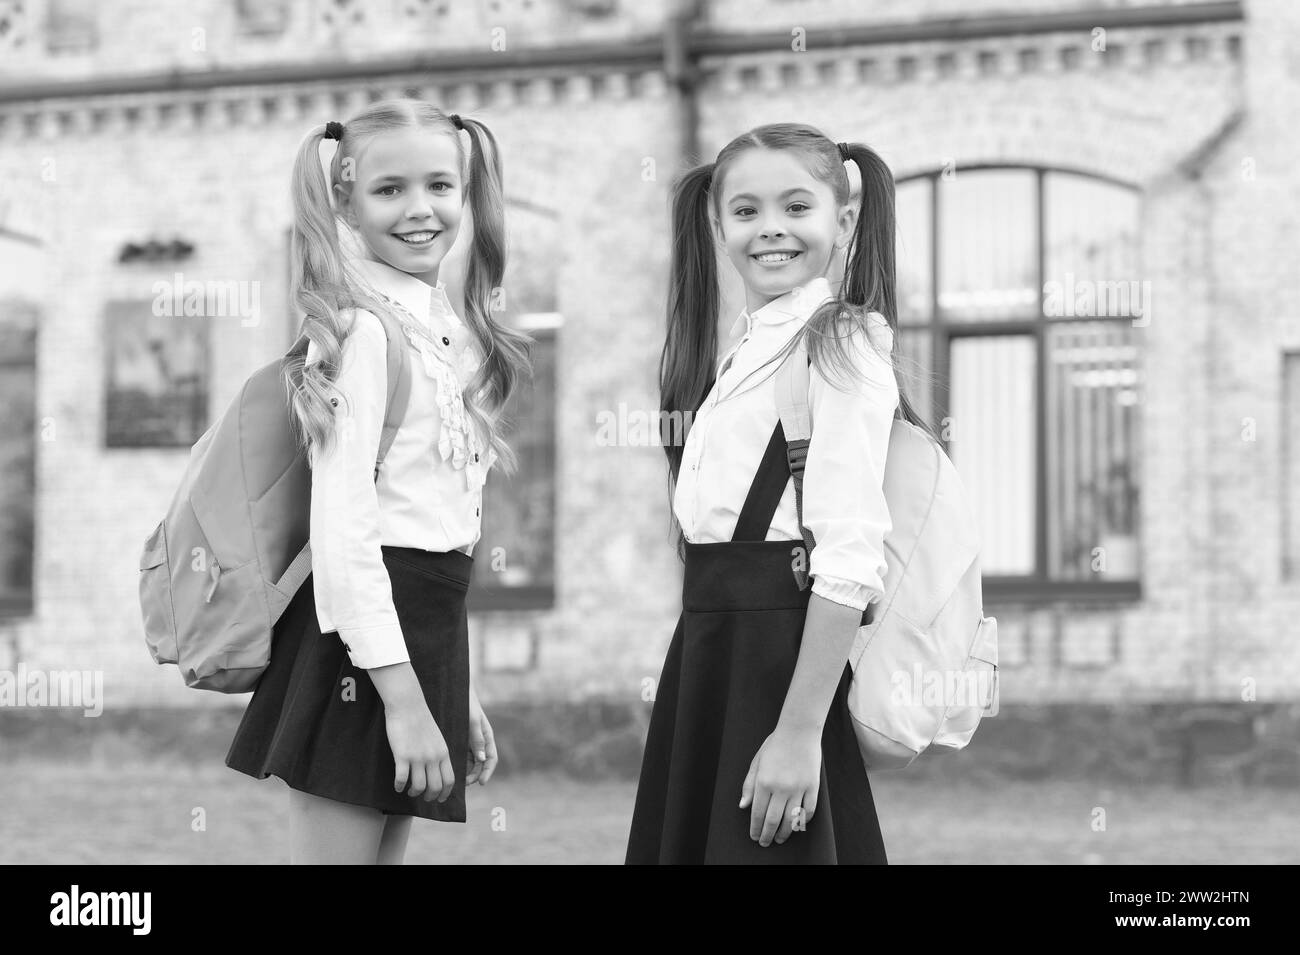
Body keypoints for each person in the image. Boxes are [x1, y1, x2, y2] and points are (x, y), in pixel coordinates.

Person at [226, 99, 530, 864]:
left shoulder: (440, 330)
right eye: (390, 190)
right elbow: (346, 531)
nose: (420, 208)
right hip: (358, 651)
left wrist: (451, 690)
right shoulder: (363, 332)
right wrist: (400, 695)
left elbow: (436, 527)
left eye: (440, 185)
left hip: (416, 636)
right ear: (345, 201)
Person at [627, 123, 930, 864]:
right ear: (718, 224)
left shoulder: (841, 345)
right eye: (747, 211)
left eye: (797, 208)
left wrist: (797, 734)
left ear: (844, 220)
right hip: (708, 654)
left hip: (778, 664)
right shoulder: (746, 346)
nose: (772, 230)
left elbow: (849, 559)